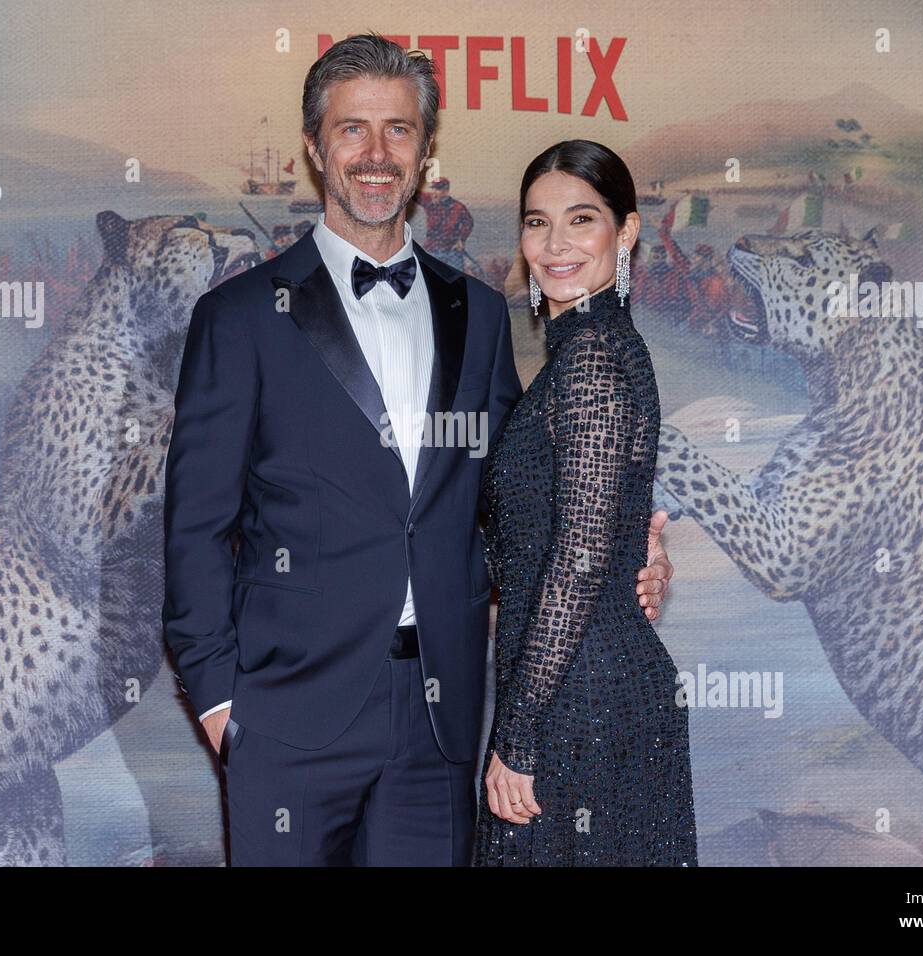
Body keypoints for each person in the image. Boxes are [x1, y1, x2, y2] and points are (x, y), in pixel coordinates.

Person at [162, 33, 674, 867]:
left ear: (426, 150)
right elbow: (194, 529)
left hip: (440, 718)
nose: (375, 153)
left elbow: (518, 500)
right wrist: (222, 703)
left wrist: (629, 564)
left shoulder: (476, 313)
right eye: (352, 129)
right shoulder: (242, 318)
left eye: (398, 130)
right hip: (286, 714)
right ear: (314, 146)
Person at [474, 140, 698, 866]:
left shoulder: (592, 359)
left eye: (581, 219)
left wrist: (519, 736)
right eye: (537, 224)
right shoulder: (602, 347)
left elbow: (574, 560)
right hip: (599, 690)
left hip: (578, 707)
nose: (555, 244)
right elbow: (560, 535)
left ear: (626, 232)